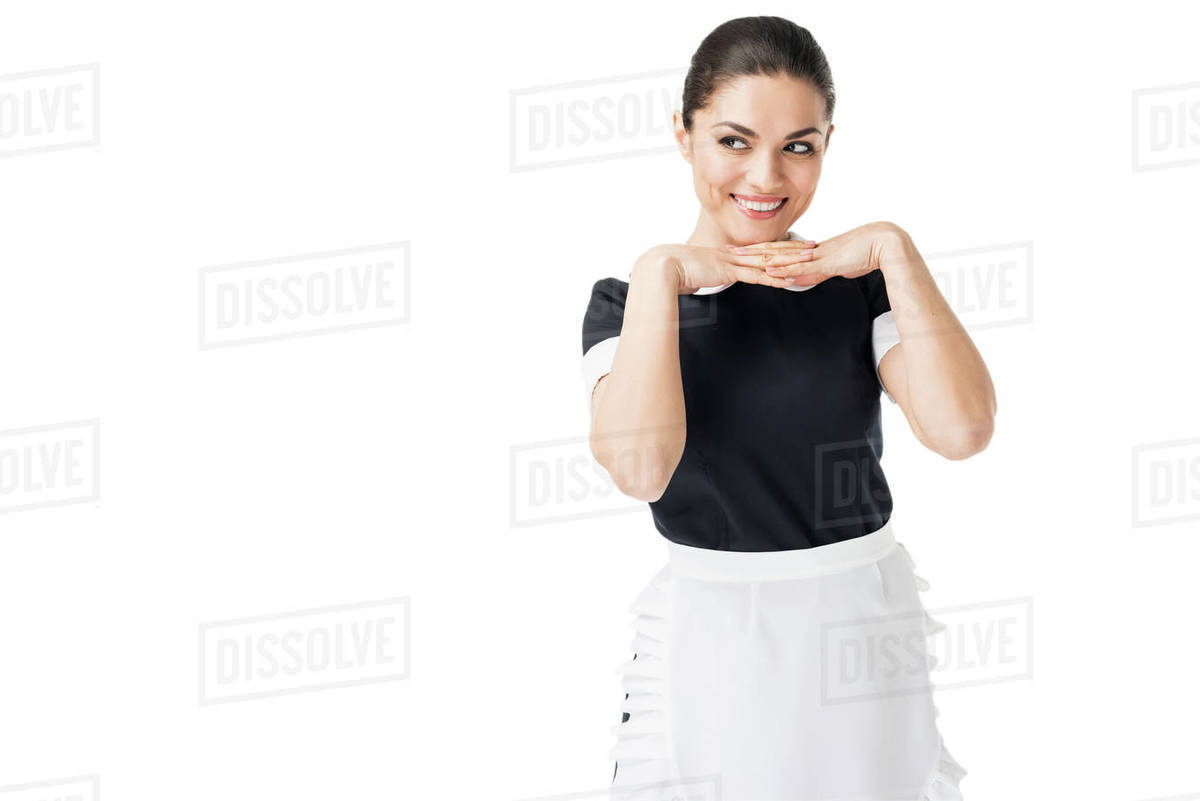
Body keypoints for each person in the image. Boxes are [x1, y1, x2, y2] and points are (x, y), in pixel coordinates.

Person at [580, 16, 996, 801]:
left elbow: (962, 427)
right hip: (714, 640)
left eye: (798, 146)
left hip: (860, 631)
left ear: (827, 144)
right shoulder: (628, 304)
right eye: (734, 141)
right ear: (684, 133)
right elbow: (640, 466)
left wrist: (894, 250)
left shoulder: (857, 289)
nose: (766, 177)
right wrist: (661, 270)